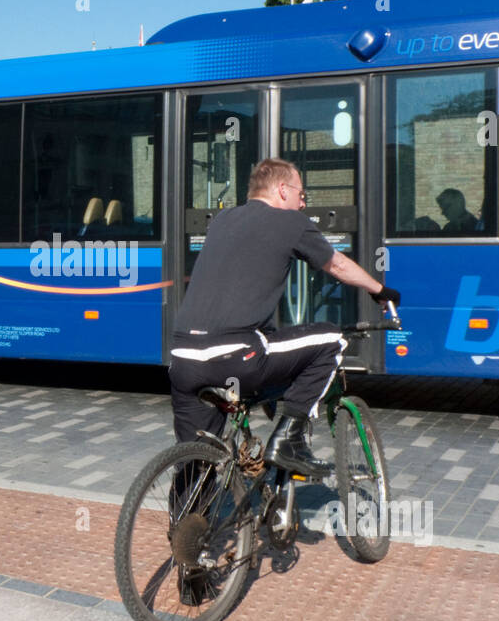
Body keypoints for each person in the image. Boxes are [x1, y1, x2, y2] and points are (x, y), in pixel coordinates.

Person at [170, 158, 399, 475]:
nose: (303, 203)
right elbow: (338, 266)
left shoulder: (222, 220)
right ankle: (287, 441)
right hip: (237, 357)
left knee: (193, 465)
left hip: (183, 360)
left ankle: (187, 522)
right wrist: (379, 290)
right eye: (302, 194)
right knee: (331, 339)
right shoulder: (289, 221)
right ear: (281, 190)